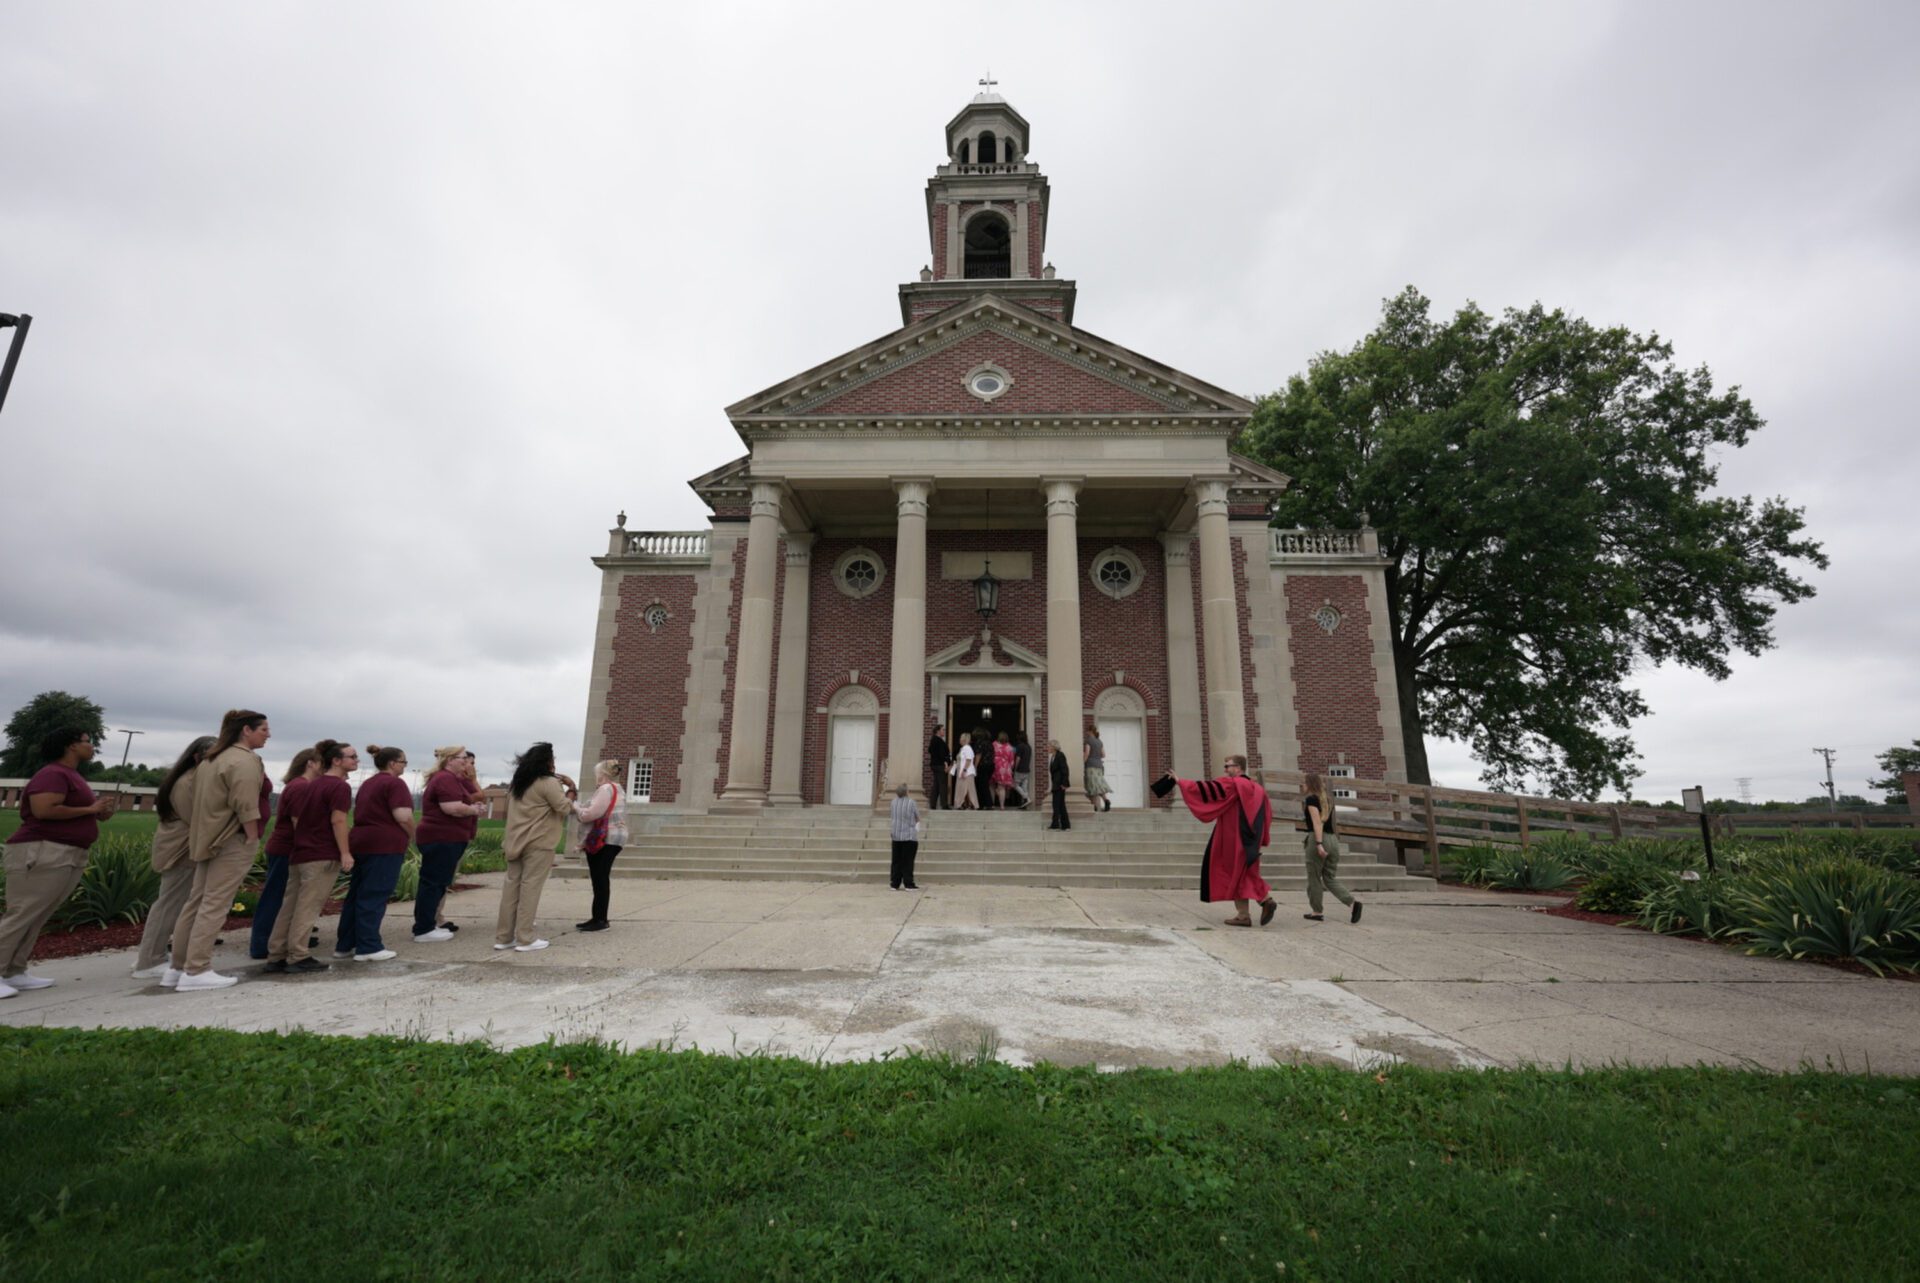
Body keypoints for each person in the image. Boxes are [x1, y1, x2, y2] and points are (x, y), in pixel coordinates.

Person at [1, 727, 118, 998]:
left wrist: (98, 813)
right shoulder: (53, 774)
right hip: (42, 849)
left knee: (38, 915)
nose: (92, 746)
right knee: (22, 913)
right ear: (71, 745)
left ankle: (14, 971)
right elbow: (44, 810)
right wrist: (90, 809)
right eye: (87, 741)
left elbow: (74, 811)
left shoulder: (73, 776)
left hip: (67, 852)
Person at [171, 709, 270, 991]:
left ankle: (177, 967)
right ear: (246, 730)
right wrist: (252, 837)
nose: (268, 735)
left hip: (207, 837)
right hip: (231, 839)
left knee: (196, 901)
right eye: (263, 729)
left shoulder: (211, 760)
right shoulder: (244, 760)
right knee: (215, 904)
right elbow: (245, 804)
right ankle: (197, 969)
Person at [1153, 754, 1276, 927]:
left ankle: (1265, 899)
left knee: (1238, 873)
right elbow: (1268, 815)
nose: (1225, 770)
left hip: (1233, 837)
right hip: (1250, 839)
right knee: (1241, 873)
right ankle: (1243, 915)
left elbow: (1206, 789)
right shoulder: (1257, 789)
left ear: (1238, 768)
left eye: (1228, 766)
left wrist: (1180, 782)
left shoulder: (1233, 784)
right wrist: (1260, 838)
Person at [265, 740, 356, 973]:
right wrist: (345, 852)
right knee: (308, 906)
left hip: (301, 852)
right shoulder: (339, 787)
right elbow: (338, 820)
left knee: (290, 905)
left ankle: (276, 953)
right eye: (352, 757)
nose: (356, 761)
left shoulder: (311, 784)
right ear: (336, 760)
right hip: (321, 853)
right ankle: (298, 954)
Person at [131, 736, 213, 980]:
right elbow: (198, 818)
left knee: (171, 904)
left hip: (178, 848)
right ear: (197, 758)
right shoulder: (188, 783)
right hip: (181, 851)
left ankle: (151, 954)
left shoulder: (185, 779)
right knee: (169, 905)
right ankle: (149, 960)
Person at [334, 745, 414, 962]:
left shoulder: (369, 783)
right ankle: (368, 946)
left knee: (356, 893)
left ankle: (345, 943)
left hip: (361, 841)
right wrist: (413, 835)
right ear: (392, 763)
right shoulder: (395, 783)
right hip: (384, 845)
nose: (405, 766)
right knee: (375, 894)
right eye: (403, 762)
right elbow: (403, 816)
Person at [494, 742, 576, 952]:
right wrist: (571, 789)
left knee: (511, 889)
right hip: (538, 842)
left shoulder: (518, 783)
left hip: (514, 841)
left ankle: (504, 937)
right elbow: (564, 808)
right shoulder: (548, 782)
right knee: (530, 889)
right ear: (547, 762)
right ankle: (526, 938)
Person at [413, 744, 487, 942]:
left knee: (437, 883)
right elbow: (451, 807)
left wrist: (471, 806)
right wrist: (474, 810)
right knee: (433, 883)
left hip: (446, 837)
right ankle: (424, 929)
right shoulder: (445, 778)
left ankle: (427, 925)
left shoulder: (449, 778)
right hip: (441, 837)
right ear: (450, 760)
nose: (466, 762)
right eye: (462, 758)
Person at [250, 748, 317, 959]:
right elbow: (300, 823)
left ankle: (277, 939)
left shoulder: (297, 785)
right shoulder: (301, 787)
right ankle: (262, 943)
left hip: (286, 847)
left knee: (283, 896)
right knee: (276, 896)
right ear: (310, 763)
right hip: (287, 848)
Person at [571, 759, 628, 932]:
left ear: (602, 774)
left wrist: (575, 807)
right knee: (600, 877)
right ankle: (597, 917)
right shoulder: (618, 788)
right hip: (616, 837)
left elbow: (590, 814)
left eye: (596, 773)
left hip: (605, 837)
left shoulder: (605, 789)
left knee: (599, 878)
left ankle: (600, 919)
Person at [1301, 771, 1363, 924]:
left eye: (1304, 782)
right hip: (1333, 840)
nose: (1302, 785)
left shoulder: (1311, 799)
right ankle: (1352, 903)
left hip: (1319, 839)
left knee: (1314, 877)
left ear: (1310, 784)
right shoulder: (1327, 799)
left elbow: (1317, 823)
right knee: (1329, 878)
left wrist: (1319, 844)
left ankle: (1317, 912)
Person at [888, 782, 921, 890]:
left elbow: (892, 816)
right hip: (909, 835)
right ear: (906, 792)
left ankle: (895, 883)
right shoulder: (911, 802)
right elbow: (917, 817)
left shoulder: (893, 802)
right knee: (908, 861)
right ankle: (908, 883)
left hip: (896, 834)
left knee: (896, 861)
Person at [1084, 725, 1113, 813]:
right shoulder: (1099, 741)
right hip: (1099, 765)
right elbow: (1103, 755)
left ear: (1090, 731)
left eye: (1087, 731)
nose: (1086, 733)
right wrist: (1096, 756)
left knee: (1092, 785)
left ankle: (1094, 806)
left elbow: (1087, 753)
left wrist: (1083, 762)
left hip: (1090, 765)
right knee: (1098, 784)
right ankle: (1106, 801)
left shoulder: (1088, 741)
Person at [1046, 739, 1072, 831]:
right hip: (1055, 784)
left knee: (1057, 805)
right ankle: (1065, 825)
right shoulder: (1053, 757)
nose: (1047, 748)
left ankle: (1056, 824)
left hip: (1060, 784)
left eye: (1048, 746)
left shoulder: (1060, 755)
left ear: (1053, 747)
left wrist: (1064, 784)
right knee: (1059, 805)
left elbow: (1065, 770)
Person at [927, 724, 951, 810]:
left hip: (935, 765)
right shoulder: (938, 741)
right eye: (943, 730)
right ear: (938, 731)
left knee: (936, 785)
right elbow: (942, 755)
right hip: (940, 765)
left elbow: (930, 750)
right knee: (942, 785)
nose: (944, 731)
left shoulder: (933, 740)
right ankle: (944, 805)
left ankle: (933, 804)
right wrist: (946, 764)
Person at [953, 732, 978, 810]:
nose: (959, 739)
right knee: (964, 788)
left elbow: (968, 760)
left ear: (964, 739)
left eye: (961, 738)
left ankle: (967, 804)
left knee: (966, 789)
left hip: (967, 772)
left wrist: (964, 770)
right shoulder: (963, 748)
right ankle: (964, 804)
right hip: (963, 772)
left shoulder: (967, 748)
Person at [990, 731, 1014, 809]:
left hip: (995, 765)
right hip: (1005, 767)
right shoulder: (1010, 747)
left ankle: (992, 804)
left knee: (991, 786)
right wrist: (1010, 769)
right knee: (1002, 787)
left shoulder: (994, 744)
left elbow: (990, 755)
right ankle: (1002, 806)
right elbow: (1012, 761)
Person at [1011, 730, 1033, 809]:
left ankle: (1027, 798)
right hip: (1026, 769)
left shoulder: (1020, 746)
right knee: (1024, 787)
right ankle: (1025, 803)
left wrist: (1014, 768)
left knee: (1014, 785)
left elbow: (1018, 758)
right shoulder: (1029, 747)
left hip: (1020, 769)